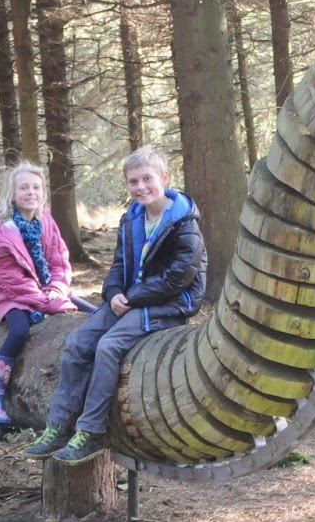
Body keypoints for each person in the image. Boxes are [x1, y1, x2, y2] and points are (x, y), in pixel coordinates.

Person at [26, 147, 206, 465]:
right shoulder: (132, 219)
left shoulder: (183, 223)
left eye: (147, 179)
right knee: (78, 342)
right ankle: (60, 425)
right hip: (130, 300)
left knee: (108, 346)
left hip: (170, 305)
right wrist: (112, 294)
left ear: (164, 178)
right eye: (133, 181)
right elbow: (119, 265)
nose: (141, 187)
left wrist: (132, 298)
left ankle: (91, 431)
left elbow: (178, 277)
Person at [0, 161, 85, 427]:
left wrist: (57, 290)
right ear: (12, 194)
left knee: (91, 313)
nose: (31, 192)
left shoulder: (45, 219)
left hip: (45, 290)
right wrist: (48, 303)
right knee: (19, 331)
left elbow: (59, 260)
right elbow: (12, 280)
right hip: (10, 295)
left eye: (36, 187)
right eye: (24, 188)